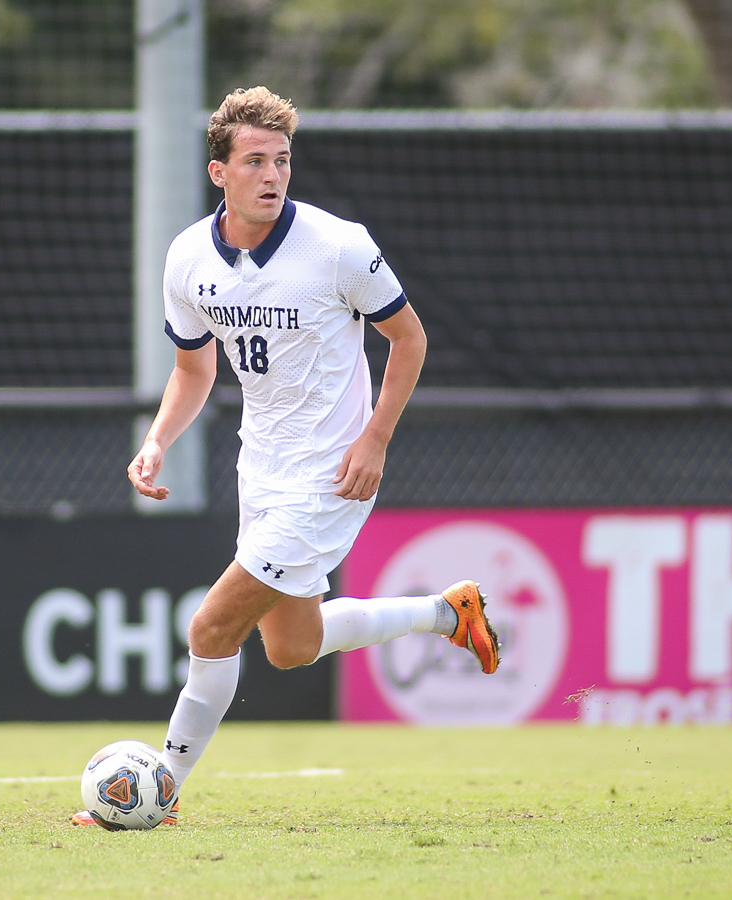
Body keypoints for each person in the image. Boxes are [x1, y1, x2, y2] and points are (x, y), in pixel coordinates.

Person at [73, 87, 500, 827]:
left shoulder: (338, 246)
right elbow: (193, 371)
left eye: (282, 160)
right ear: (220, 173)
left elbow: (410, 339)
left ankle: (158, 791)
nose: (272, 175)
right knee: (292, 648)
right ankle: (447, 613)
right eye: (255, 161)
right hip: (260, 470)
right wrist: (156, 441)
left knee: (210, 628)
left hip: (332, 475)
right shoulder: (187, 259)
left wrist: (375, 440)